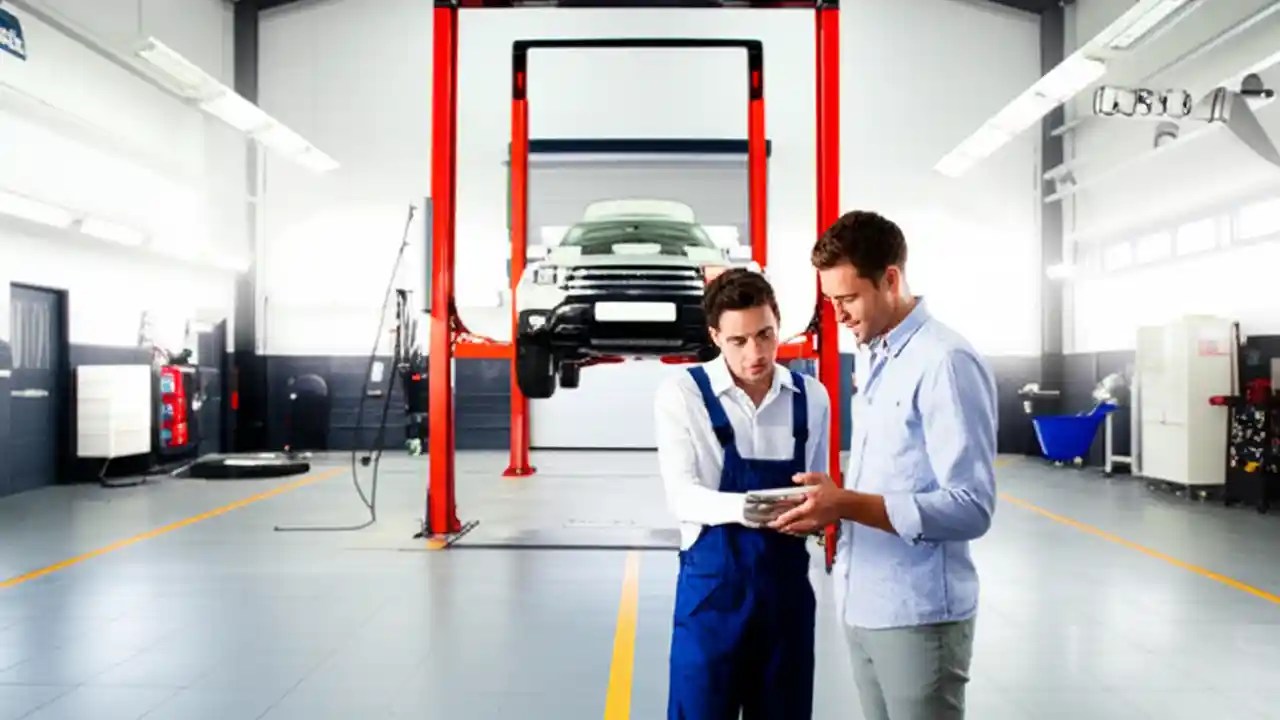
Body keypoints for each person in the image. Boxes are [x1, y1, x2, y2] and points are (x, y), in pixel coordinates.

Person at [770, 210, 998, 720]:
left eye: (848, 298)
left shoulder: (944, 361)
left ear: (890, 280)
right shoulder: (876, 353)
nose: (839, 315)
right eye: (831, 301)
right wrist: (832, 501)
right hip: (864, 602)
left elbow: (972, 506)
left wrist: (846, 504)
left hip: (919, 615)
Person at [653, 267, 831, 720]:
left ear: (778, 323)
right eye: (739, 340)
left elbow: (817, 485)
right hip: (712, 596)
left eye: (765, 334)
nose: (756, 353)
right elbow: (682, 497)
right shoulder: (683, 395)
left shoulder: (811, 397)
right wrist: (754, 508)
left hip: (786, 596)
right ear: (716, 336)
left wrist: (822, 511)